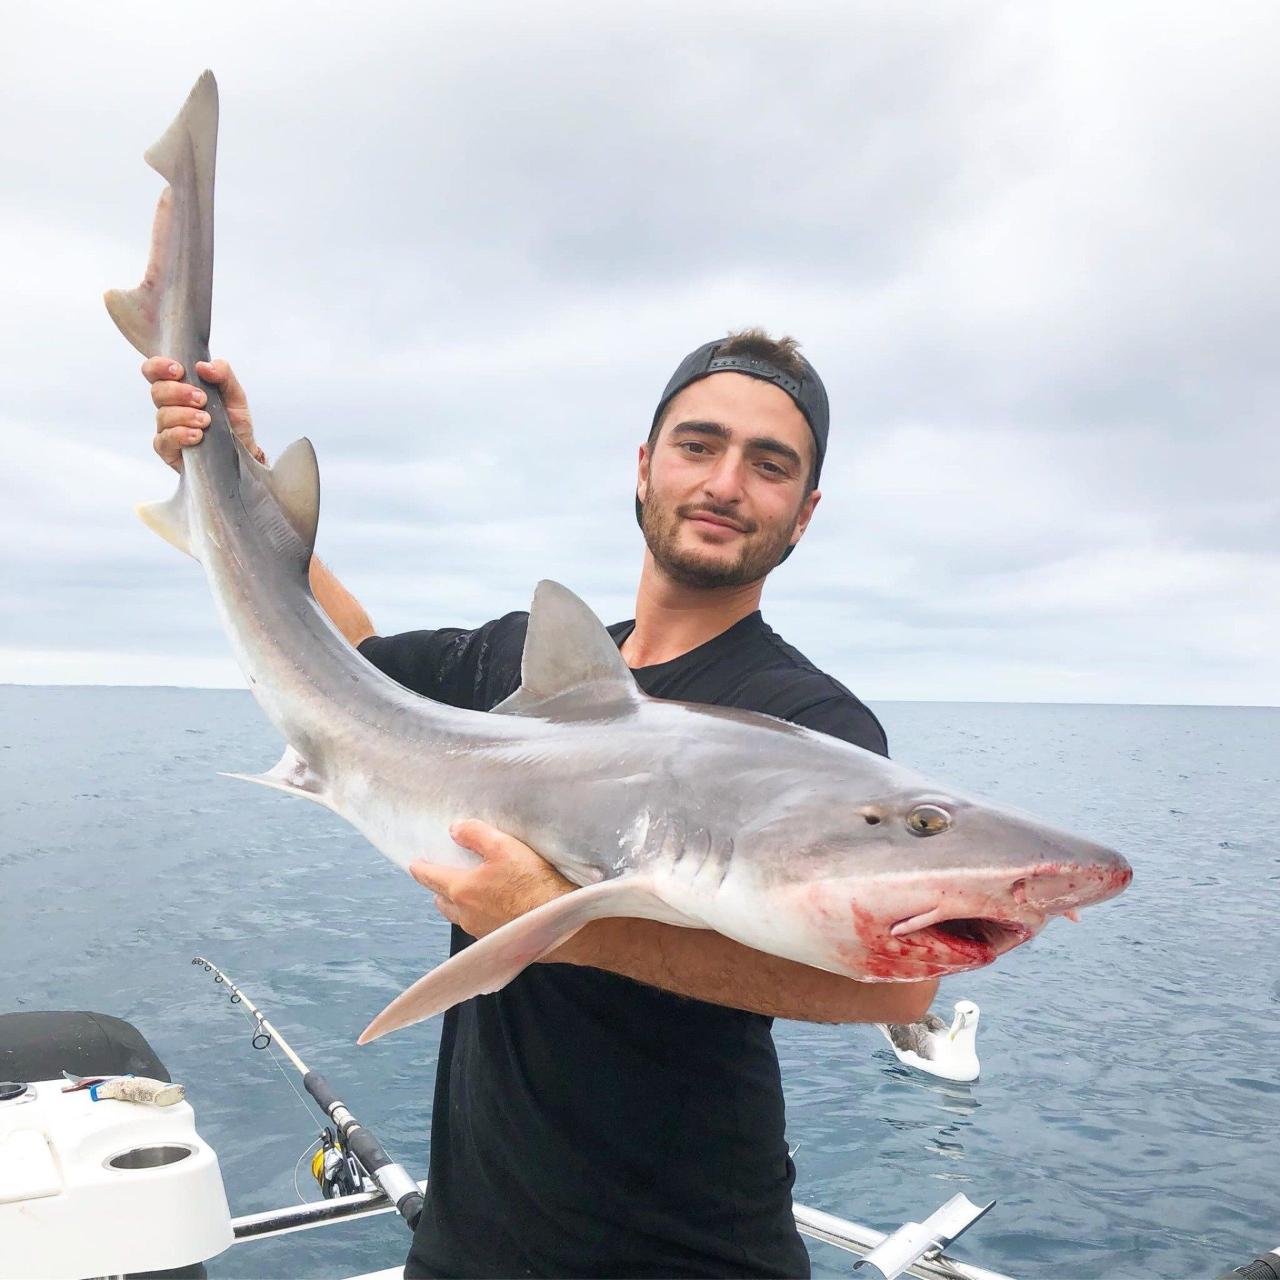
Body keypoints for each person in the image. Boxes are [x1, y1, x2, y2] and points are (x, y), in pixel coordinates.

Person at [142, 330, 937, 1279]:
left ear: (804, 513)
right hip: (465, 1242)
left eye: (769, 466)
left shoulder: (804, 727)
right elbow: (353, 687)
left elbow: (897, 984)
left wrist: (555, 922)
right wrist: (240, 489)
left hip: (685, 1254)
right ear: (644, 468)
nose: (726, 482)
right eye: (698, 445)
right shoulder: (528, 666)